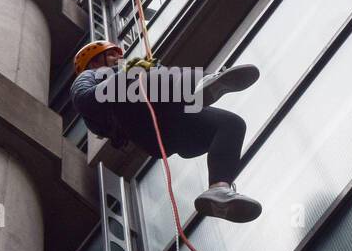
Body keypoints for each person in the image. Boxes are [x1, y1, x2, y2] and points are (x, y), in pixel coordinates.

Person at [70, 39, 263, 222]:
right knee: (153, 75)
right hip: (143, 122)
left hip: (170, 124)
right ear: (94, 62)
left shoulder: (125, 72)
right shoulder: (90, 76)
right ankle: (199, 86)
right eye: (110, 55)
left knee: (232, 124)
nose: (117, 59)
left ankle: (219, 189)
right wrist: (127, 75)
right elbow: (84, 99)